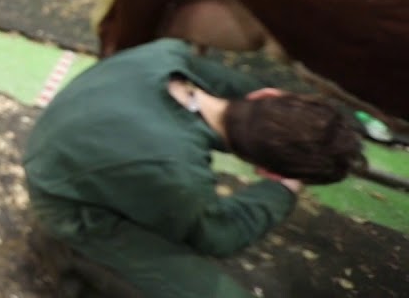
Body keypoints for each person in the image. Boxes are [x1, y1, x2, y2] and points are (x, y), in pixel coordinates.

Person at [23, 38, 364, 298]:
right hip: (62, 196)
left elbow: (231, 93)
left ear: (265, 94)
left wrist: (280, 121)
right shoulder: (177, 171)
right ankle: (66, 250)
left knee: (165, 202)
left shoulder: (167, 53)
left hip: (66, 139)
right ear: (261, 168)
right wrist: (281, 190)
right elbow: (218, 236)